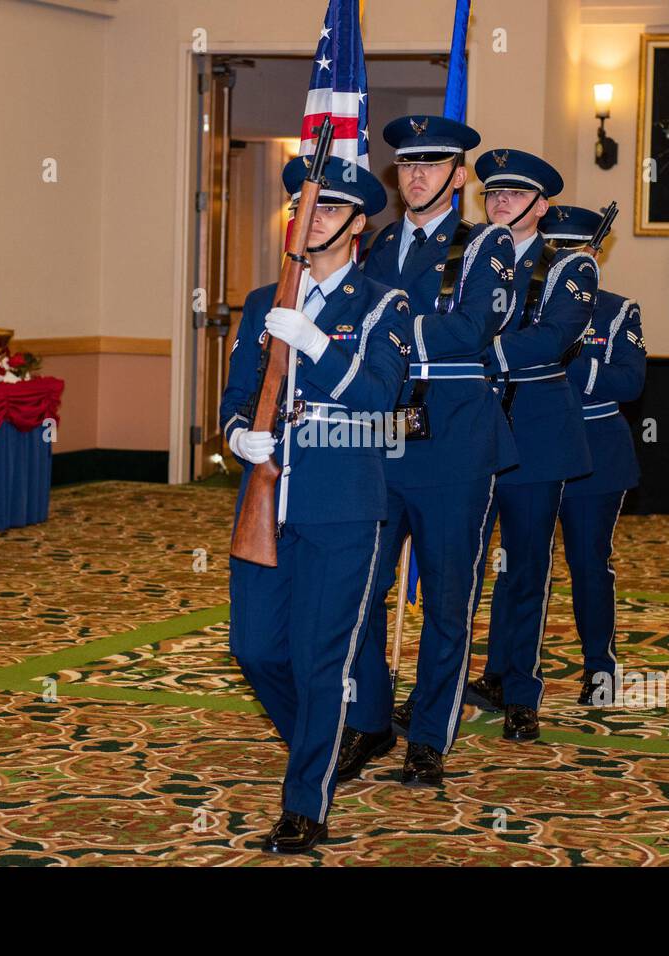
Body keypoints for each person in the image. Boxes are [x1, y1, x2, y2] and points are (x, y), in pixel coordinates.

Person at [222, 155, 412, 853]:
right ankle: (324, 737)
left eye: (329, 211)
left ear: (358, 224)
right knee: (255, 648)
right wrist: (239, 432)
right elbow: (239, 390)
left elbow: (379, 396)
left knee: (319, 660)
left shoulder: (382, 304)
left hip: (343, 507)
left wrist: (314, 344)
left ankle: (306, 802)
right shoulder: (260, 300)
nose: (311, 220)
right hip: (266, 502)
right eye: (304, 209)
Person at [336, 114, 517, 787]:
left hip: (454, 443)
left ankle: (432, 734)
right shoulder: (379, 246)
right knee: (359, 588)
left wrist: (387, 327)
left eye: (431, 166)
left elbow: (471, 329)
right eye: (407, 166)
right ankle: (374, 720)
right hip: (383, 436)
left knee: (446, 598)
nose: (415, 176)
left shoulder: (482, 246)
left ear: (457, 175)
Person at [460, 152, 597, 741]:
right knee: (458, 566)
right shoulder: (463, 259)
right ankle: (459, 683)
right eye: (493, 194)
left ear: (542, 206)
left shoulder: (570, 268)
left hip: (535, 435)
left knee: (525, 568)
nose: (501, 203)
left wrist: (472, 353)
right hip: (467, 429)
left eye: (516, 196)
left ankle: (519, 688)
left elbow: (554, 335)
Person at [544, 205, 647, 706]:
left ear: (594, 254)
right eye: (554, 249)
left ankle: (599, 669)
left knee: (588, 563)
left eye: (573, 250)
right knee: (521, 567)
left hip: (595, 452)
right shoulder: (522, 307)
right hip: (534, 450)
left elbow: (631, 382)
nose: (562, 259)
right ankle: (507, 673)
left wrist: (575, 362)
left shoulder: (617, 310)